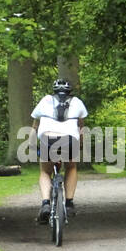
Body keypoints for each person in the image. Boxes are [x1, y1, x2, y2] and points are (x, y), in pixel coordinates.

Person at [31, 77, 87, 224]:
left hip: (47, 140)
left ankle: (45, 204)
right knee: (71, 166)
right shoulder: (77, 102)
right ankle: (68, 203)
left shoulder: (45, 100)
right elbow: (81, 127)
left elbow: (35, 125)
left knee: (45, 171)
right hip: (69, 140)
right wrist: (80, 144)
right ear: (70, 91)